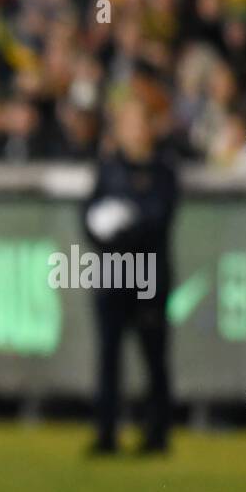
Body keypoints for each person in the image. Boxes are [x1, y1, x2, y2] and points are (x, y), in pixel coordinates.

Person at [83, 96, 179, 455]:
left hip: (148, 277)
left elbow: (158, 218)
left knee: (154, 357)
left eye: (139, 122)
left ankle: (157, 434)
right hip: (112, 276)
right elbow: (89, 215)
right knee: (108, 357)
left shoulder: (163, 171)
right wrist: (103, 227)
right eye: (127, 123)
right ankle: (106, 433)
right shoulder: (109, 169)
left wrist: (124, 224)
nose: (133, 131)